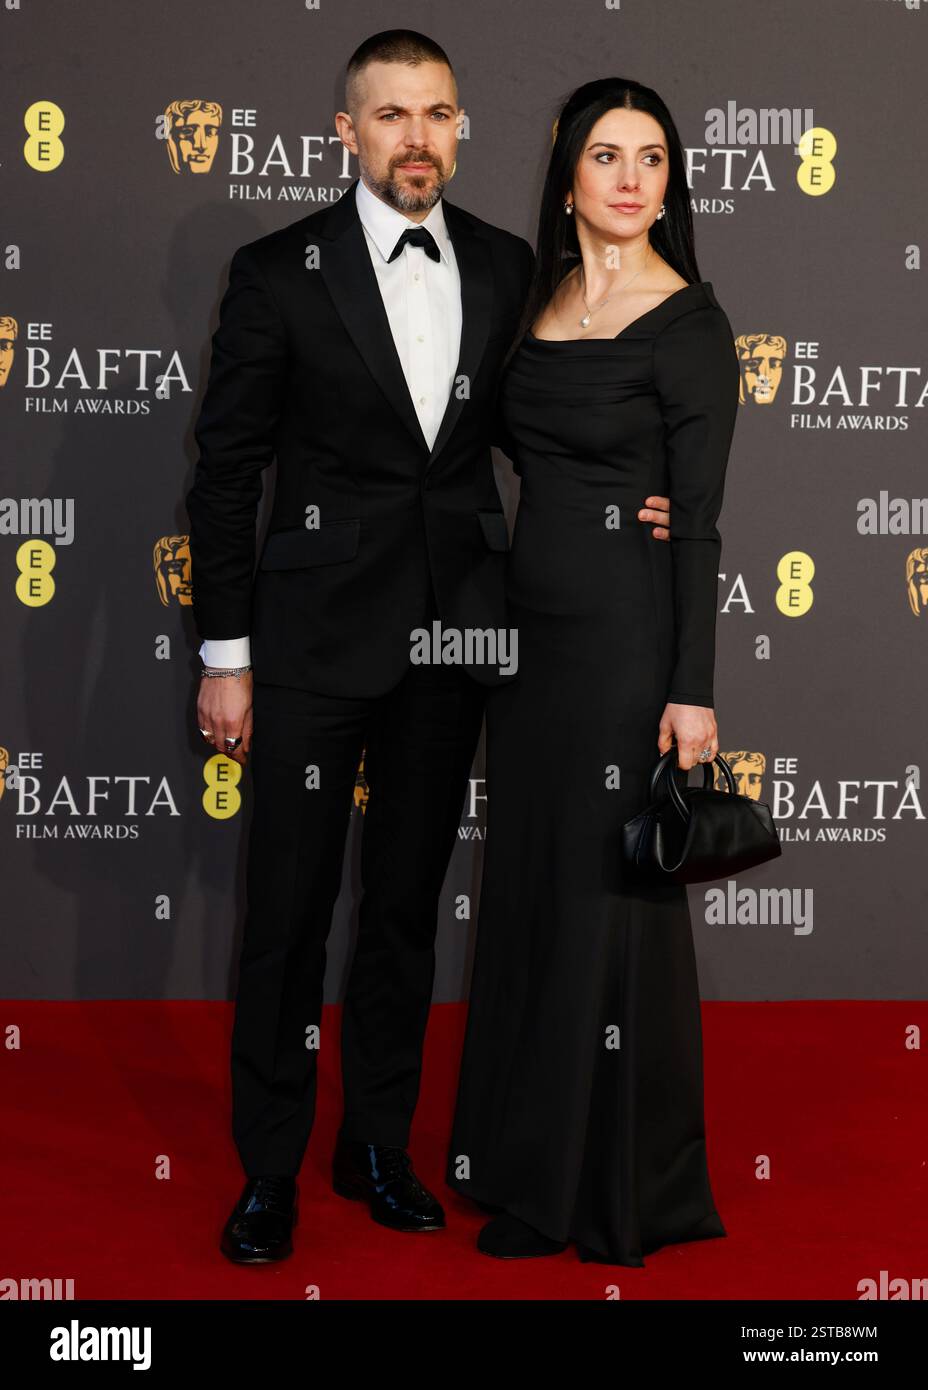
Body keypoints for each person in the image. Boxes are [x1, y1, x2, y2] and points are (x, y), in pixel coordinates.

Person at [185, 33, 674, 1263]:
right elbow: (228, 469)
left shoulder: (510, 268)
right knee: (286, 917)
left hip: (456, 637)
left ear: (463, 130)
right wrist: (224, 651)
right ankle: (268, 1171)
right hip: (306, 642)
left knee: (403, 908)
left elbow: (553, 424)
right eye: (392, 115)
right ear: (346, 133)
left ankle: (377, 1148)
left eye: (439, 114)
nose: (418, 137)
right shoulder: (277, 269)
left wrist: (641, 493)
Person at [446, 77, 740, 1266]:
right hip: (529, 643)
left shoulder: (690, 322)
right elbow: (508, 438)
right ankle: (520, 1160)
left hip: (626, 645)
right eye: (607, 156)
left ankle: (601, 1182)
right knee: (528, 887)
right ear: (565, 173)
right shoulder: (537, 299)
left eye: (653, 159)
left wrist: (692, 687)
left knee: (603, 905)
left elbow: (704, 522)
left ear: (671, 183)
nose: (631, 179)